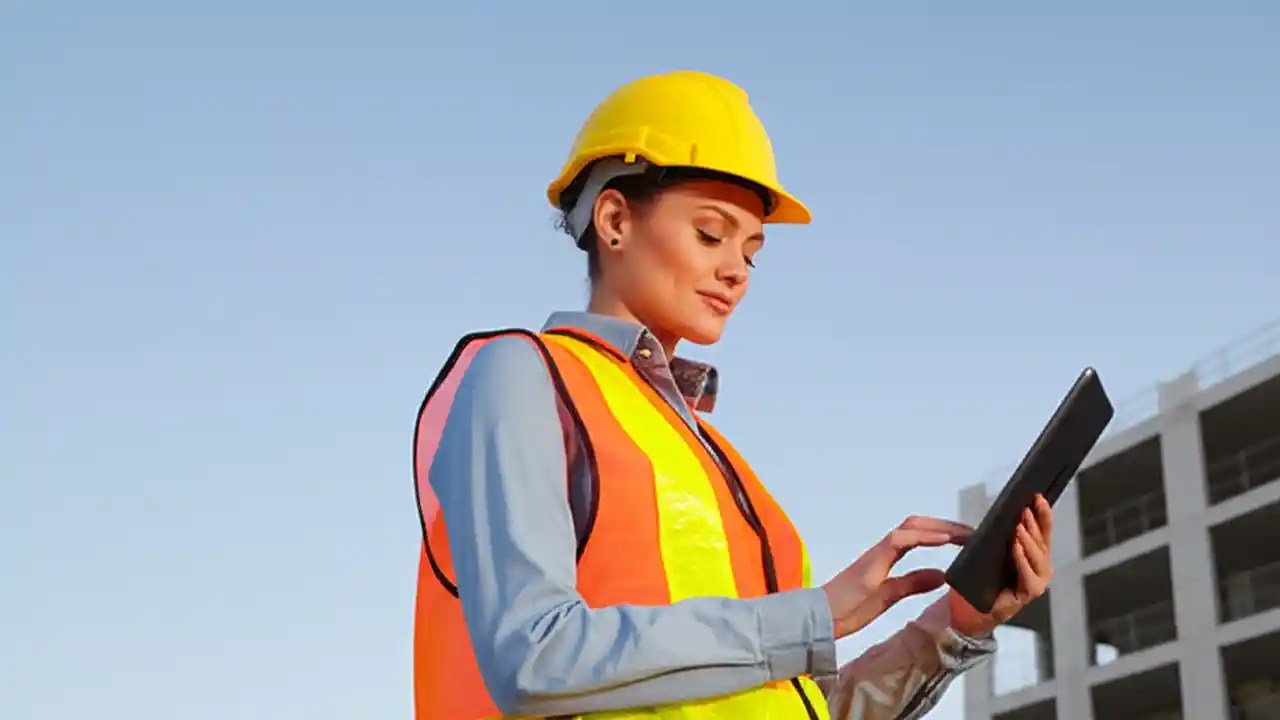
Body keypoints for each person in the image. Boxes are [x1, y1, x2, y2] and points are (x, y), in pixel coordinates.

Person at [411, 69, 1055, 720]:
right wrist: (813, 618)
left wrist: (956, 625)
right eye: (710, 234)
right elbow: (533, 655)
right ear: (614, 219)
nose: (735, 272)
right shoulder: (525, 375)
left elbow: (794, 707)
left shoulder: (717, 461)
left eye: (751, 253)